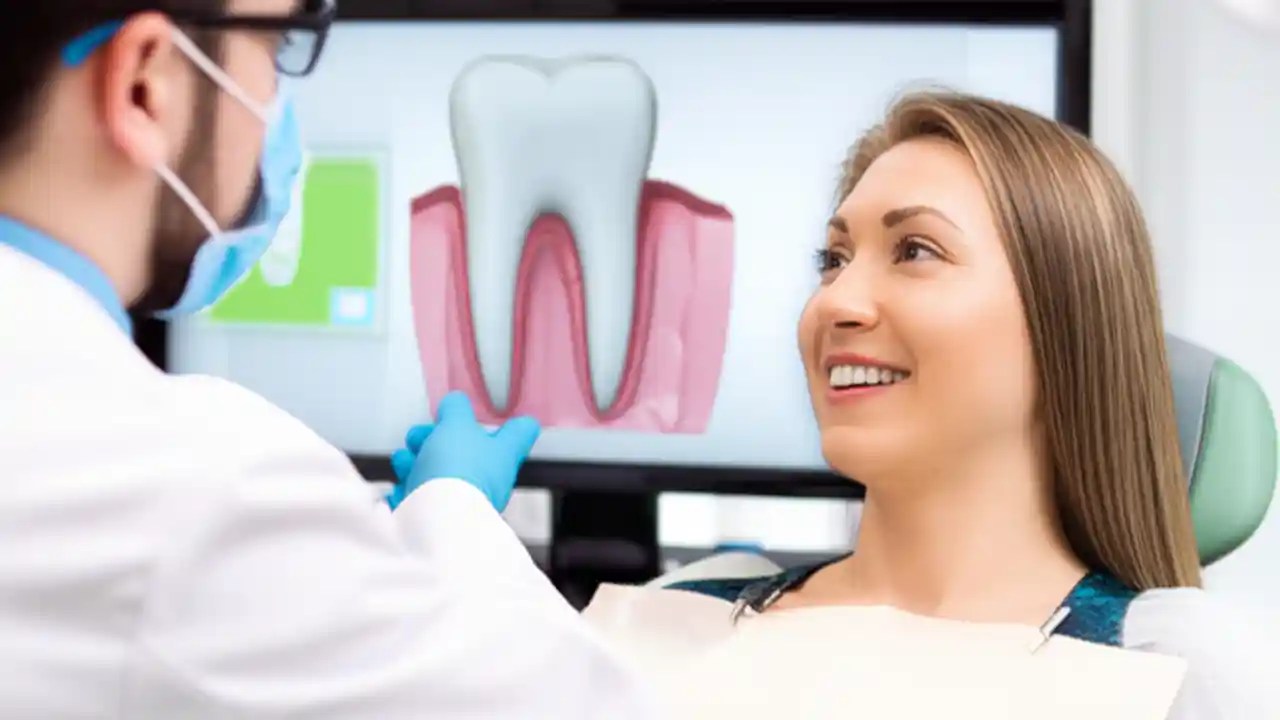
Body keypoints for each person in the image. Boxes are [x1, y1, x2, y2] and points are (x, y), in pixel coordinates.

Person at [0, 1, 650, 718]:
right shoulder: (195, 495)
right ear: (146, 86)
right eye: (280, 51)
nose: (277, 108)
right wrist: (457, 511)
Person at [657, 91, 1271, 718]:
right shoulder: (678, 618)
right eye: (833, 259)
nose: (836, 303)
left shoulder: (1171, 671)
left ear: (1064, 322)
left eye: (915, 251)